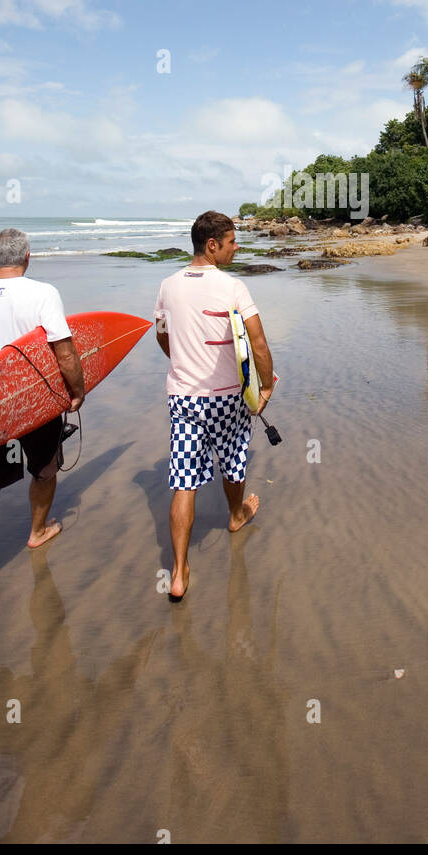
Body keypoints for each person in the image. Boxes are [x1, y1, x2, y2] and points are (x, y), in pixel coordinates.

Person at [0, 228, 85, 620]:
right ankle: (37, 531)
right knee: (44, 471)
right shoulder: (43, 292)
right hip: (37, 402)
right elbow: (64, 350)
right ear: (27, 255)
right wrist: (76, 391)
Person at [154, 211, 274, 602]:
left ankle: (178, 572)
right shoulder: (233, 287)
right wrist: (267, 385)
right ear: (212, 245)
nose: (237, 247)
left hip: (184, 397)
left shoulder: (167, 285)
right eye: (232, 241)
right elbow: (256, 343)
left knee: (184, 481)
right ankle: (236, 516)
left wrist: (183, 360)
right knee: (234, 459)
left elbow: (162, 335)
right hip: (226, 397)